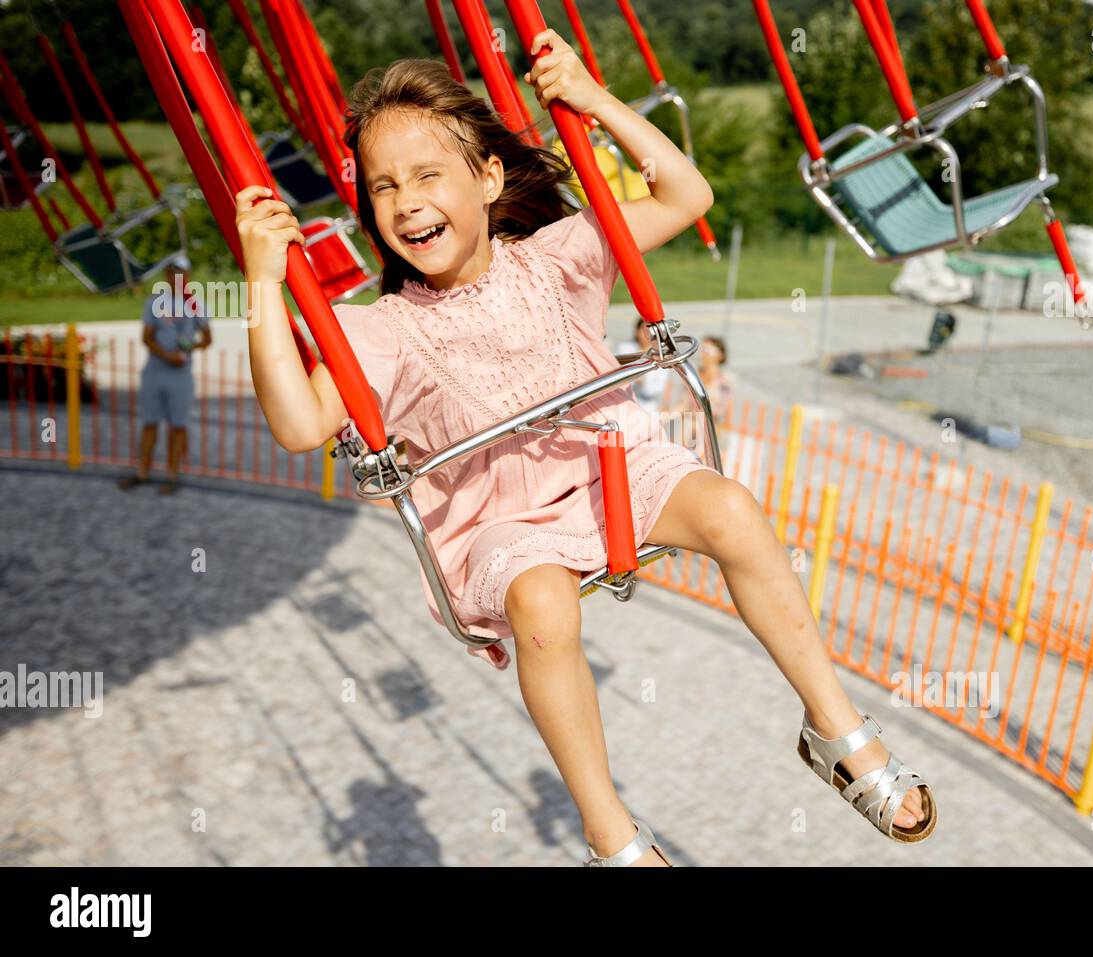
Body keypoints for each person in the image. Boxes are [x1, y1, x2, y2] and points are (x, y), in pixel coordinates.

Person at [234, 39, 934, 866]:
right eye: (384, 185)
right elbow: (295, 422)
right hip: (501, 519)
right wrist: (261, 282)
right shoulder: (377, 330)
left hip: (613, 468)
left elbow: (687, 192)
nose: (407, 202)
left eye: (428, 175)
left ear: (489, 181)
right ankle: (611, 833)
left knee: (732, 509)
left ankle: (834, 725)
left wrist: (594, 99)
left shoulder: (560, 255)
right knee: (540, 600)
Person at [117, 257, 212, 495]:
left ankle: (172, 474)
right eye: (171, 273)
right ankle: (143, 471)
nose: (175, 278)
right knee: (149, 423)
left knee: (178, 425)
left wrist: (189, 349)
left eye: (179, 273)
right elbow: (147, 337)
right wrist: (166, 355)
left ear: (188, 276)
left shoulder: (196, 304)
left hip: (181, 374)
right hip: (155, 371)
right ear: (166, 277)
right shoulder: (155, 302)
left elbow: (207, 338)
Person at [613, 316, 669, 415]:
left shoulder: (662, 355)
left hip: (649, 406)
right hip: (623, 402)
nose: (646, 335)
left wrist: (643, 379)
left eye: (649, 332)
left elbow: (658, 387)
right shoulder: (625, 349)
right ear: (637, 331)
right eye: (643, 330)